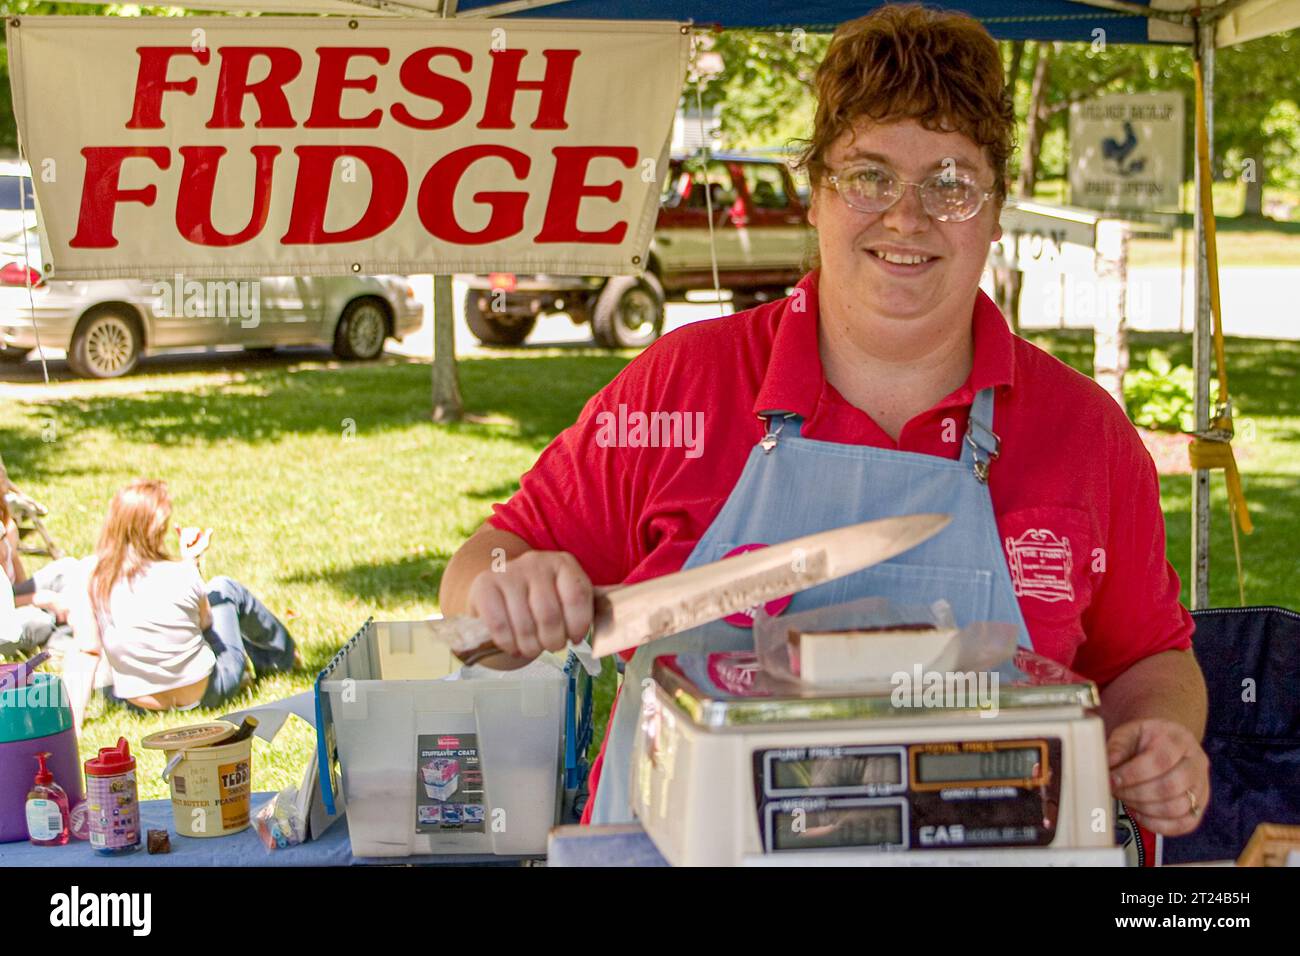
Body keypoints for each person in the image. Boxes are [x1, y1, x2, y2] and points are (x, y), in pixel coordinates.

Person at [440, 5, 1209, 838]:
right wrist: (507, 594)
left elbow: (1150, 659)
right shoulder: (679, 389)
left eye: (950, 183)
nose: (907, 218)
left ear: (994, 212)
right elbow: (482, 569)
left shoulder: (1085, 433)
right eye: (869, 176)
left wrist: (1160, 735)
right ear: (816, 197)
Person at [80, 478, 298, 711]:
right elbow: (205, 623)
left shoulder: (94, 577)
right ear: (156, 530)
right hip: (208, 694)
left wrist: (75, 723)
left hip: (139, 704)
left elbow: (88, 649)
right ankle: (280, 660)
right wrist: (191, 563)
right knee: (224, 588)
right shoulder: (180, 574)